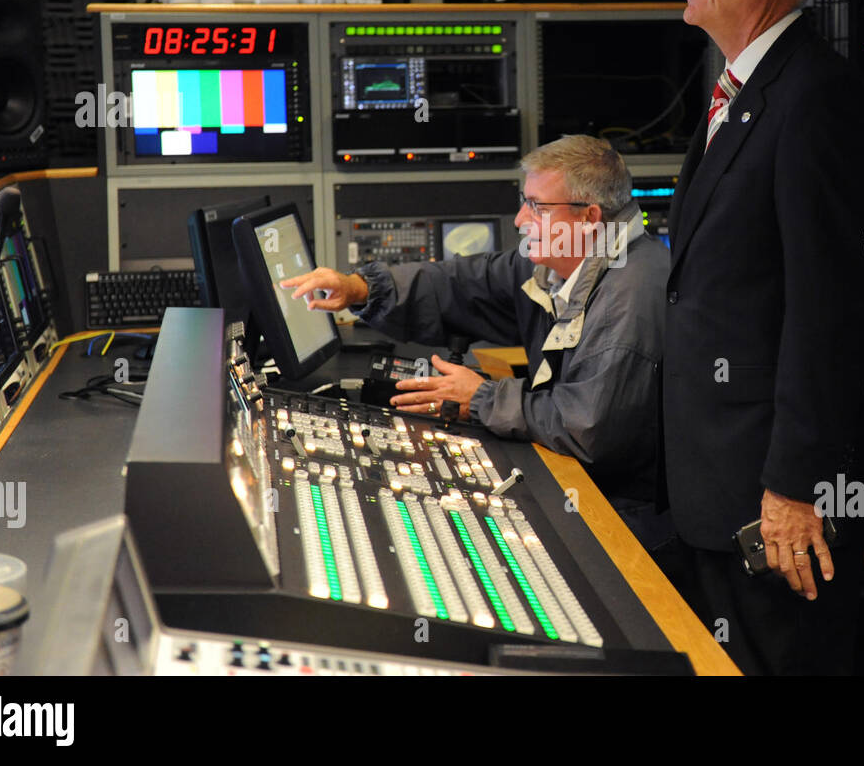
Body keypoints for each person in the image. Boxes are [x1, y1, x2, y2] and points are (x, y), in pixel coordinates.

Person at [662, 0, 864, 674]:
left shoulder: (817, 99)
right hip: (714, 495)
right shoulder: (738, 90)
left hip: (771, 510)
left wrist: (795, 490)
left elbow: (829, 316)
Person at [281, 135, 673, 547]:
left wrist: (482, 398)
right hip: (588, 487)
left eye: (537, 207)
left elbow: (586, 429)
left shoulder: (627, 302)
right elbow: (468, 285)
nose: (521, 220)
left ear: (589, 217)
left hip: (624, 517)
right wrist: (362, 288)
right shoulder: (567, 263)